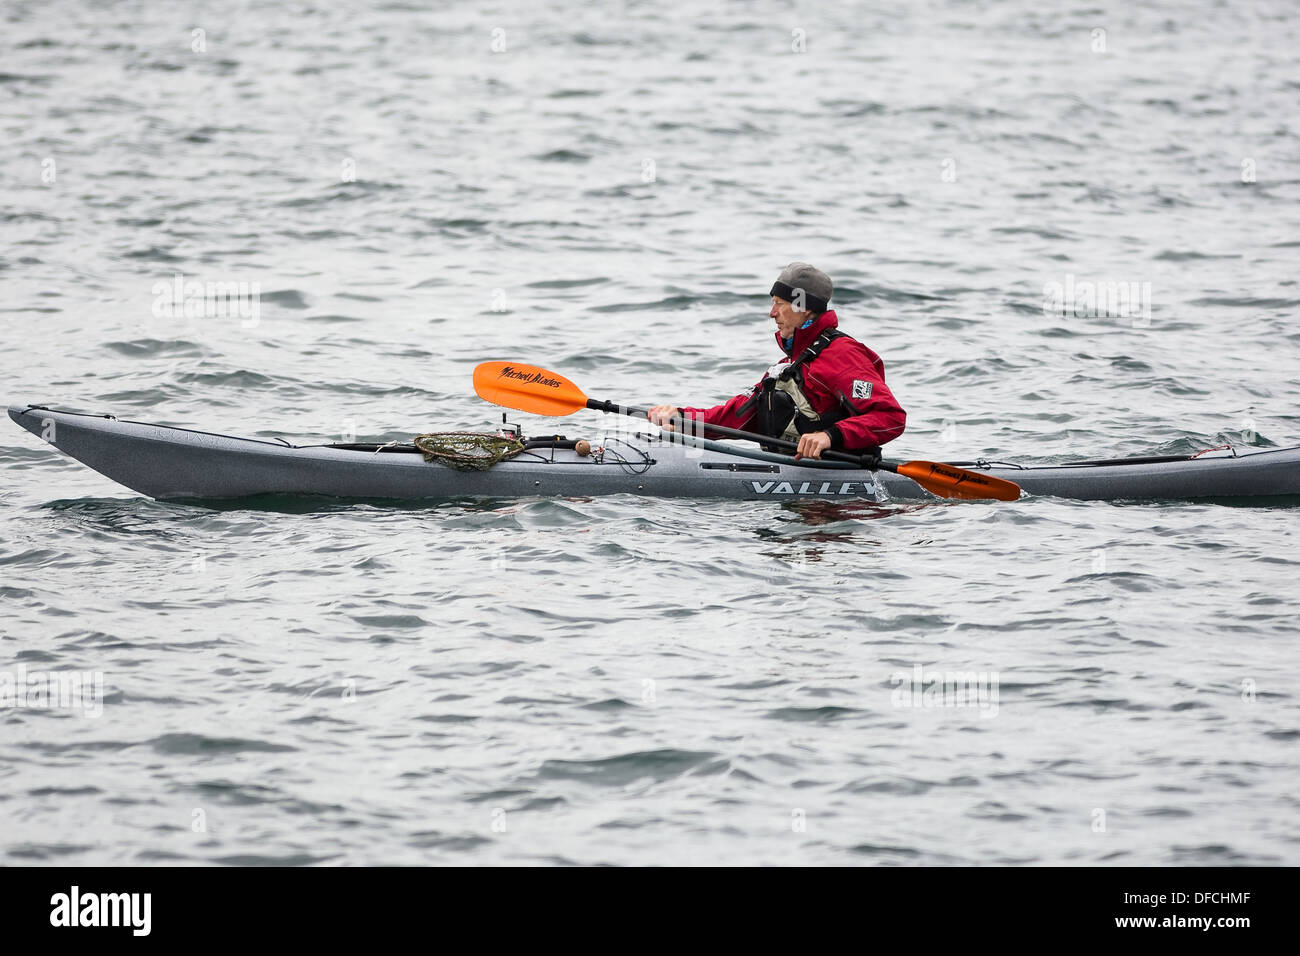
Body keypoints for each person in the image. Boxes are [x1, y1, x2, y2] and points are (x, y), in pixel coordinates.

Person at [646, 262, 906, 460]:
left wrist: (830, 436)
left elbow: (890, 417)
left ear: (804, 307)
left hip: (842, 491)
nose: (772, 313)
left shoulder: (842, 354)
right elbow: (736, 418)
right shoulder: (787, 367)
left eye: (780, 304)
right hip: (797, 482)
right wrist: (681, 418)